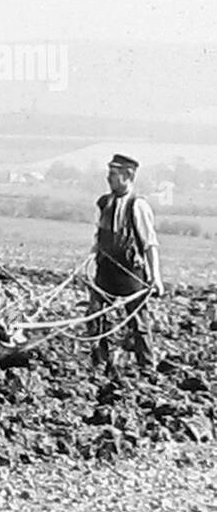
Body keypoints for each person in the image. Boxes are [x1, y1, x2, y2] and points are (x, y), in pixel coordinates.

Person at [89, 153, 163, 372]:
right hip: (105, 271)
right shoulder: (105, 202)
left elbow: (150, 244)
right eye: (108, 173)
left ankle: (147, 368)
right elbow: (100, 234)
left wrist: (155, 277)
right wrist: (93, 253)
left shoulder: (138, 206)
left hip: (129, 273)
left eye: (112, 174)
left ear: (127, 176)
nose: (108, 178)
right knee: (95, 315)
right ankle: (99, 363)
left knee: (138, 322)